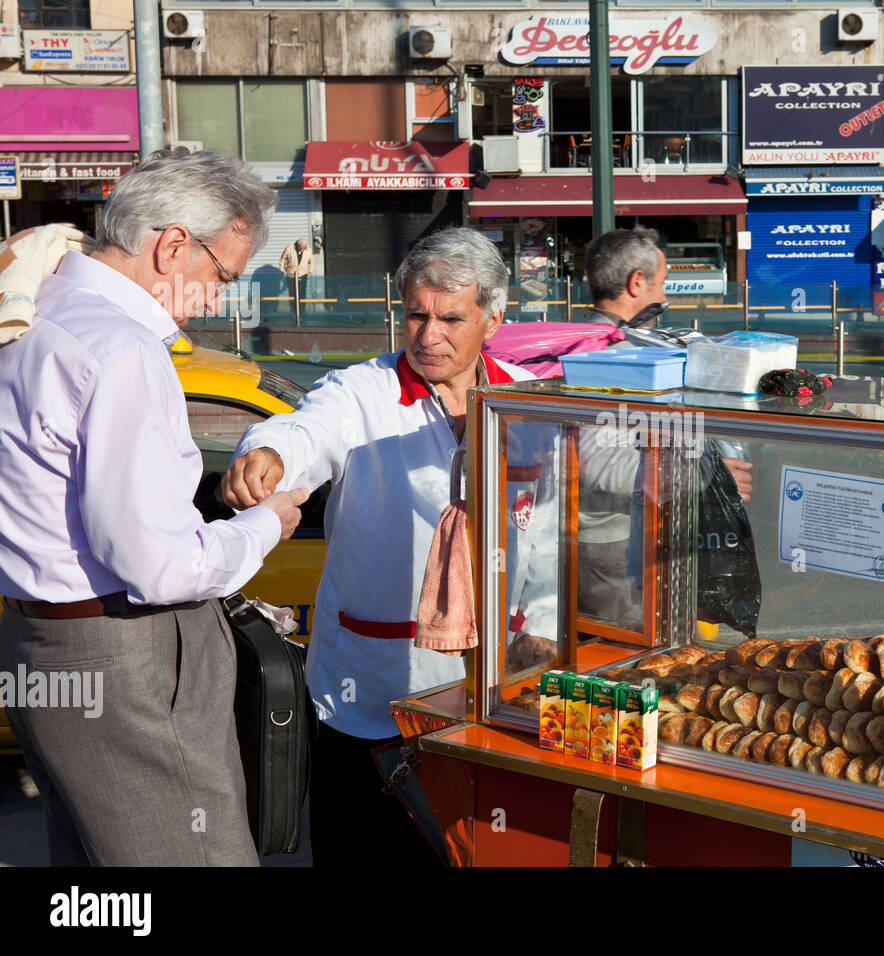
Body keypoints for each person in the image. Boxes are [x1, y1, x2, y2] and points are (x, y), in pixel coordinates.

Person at [0, 149, 310, 867]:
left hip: (40, 642)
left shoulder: (31, 307)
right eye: (221, 276)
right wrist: (265, 525)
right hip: (122, 655)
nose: (218, 298)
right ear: (172, 245)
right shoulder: (121, 349)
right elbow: (162, 567)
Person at [221, 228, 558, 866]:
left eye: (451, 318)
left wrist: (538, 624)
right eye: (416, 315)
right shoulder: (362, 392)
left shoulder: (527, 398)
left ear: (495, 315)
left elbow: (544, 532)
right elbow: (304, 429)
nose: (429, 334)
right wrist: (266, 455)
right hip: (369, 692)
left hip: (495, 689)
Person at [575, 228, 752, 631]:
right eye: (661, 284)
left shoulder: (596, 346)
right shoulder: (609, 356)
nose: (662, 296)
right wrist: (706, 474)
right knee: (632, 664)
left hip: (633, 536)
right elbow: (599, 465)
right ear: (636, 282)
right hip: (616, 546)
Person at [279, 237, 313, 312]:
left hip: (303, 274)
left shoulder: (308, 250)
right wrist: (282, 269)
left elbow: (311, 261)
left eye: (303, 248)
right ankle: (293, 311)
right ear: (297, 245)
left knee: (302, 294)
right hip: (291, 274)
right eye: (300, 248)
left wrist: (309, 270)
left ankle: (302, 311)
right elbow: (283, 259)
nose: (302, 249)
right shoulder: (289, 248)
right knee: (292, 294)